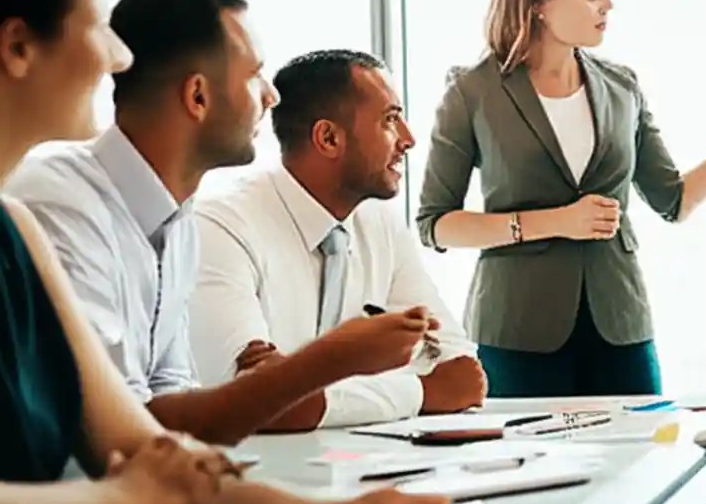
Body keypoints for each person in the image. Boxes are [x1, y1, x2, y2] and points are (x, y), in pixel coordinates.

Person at [0, 0, 448, 504]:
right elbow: (139, 472)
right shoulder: (53, 202)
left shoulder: (21, 227)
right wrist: (129, 498)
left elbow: (147, 450)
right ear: (16, 46)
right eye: (96, 27)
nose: (118, 58)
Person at [5, 0, 437, 446]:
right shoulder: (63, 204)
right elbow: (124, 434)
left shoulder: (176, 220)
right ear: (198, 96)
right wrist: (335, 358)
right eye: (255, 76)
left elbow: (173, 408)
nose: (272, 97)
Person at [416, 0, 706, 397]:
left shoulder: (621, 86)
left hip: (621, 327)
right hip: (519, 333)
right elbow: (436, 224)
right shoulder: (472, 92)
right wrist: (556, 221)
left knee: (637, 464)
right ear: (538, 2)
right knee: (527, 468)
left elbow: (676, 200)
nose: (607, 5)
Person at [190, 49, 487, 427]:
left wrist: (300, 387)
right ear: (328, 138)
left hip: (357, 464)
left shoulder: (379, 221)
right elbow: (255, 400)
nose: (409, 139)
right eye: (390, 120)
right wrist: (422, 391)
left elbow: (461, 372)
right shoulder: (221, 227)